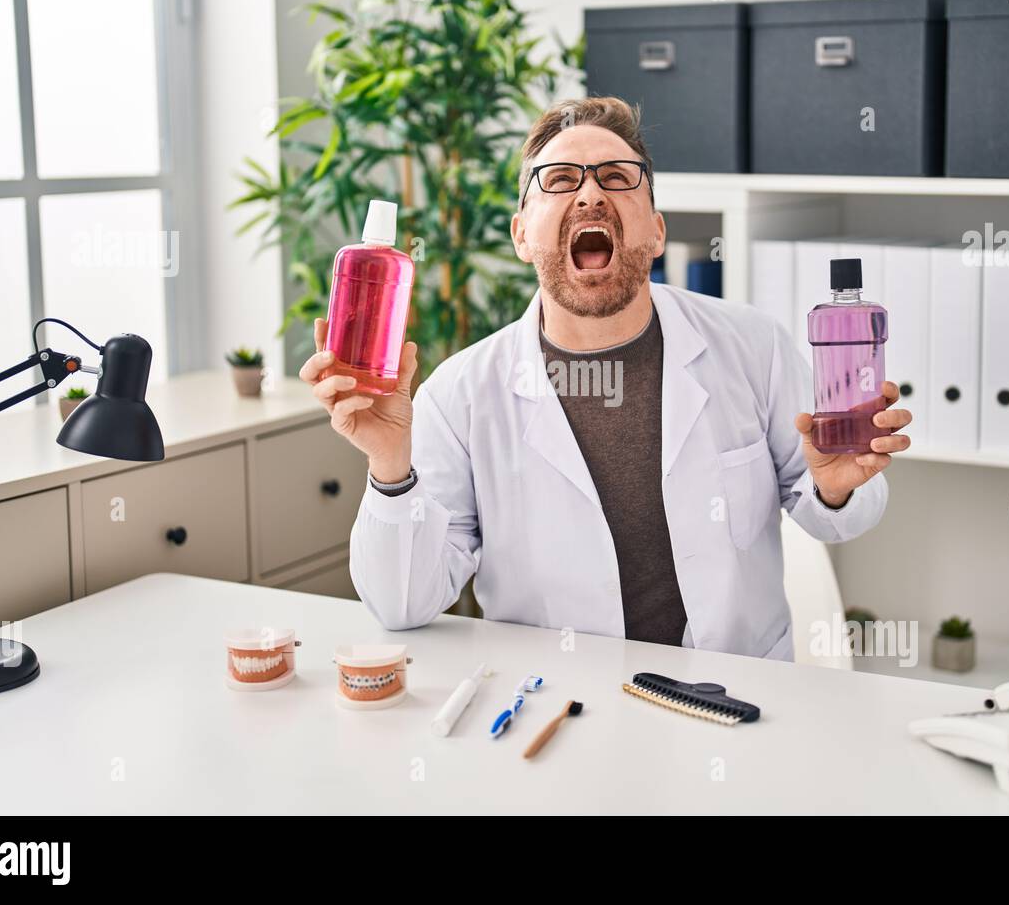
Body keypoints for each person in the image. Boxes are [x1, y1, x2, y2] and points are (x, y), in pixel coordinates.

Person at [300, 96, 911, 659]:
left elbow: (840, 517)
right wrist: (387, 467)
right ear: (521, 235)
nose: (591, 195)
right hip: (560, 709)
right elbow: (403, 604)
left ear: (656, 230)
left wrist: (836, 487)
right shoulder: (458, 396)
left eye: (617, 178)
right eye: (560, 180)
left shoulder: (754, 347)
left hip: (735, 698)